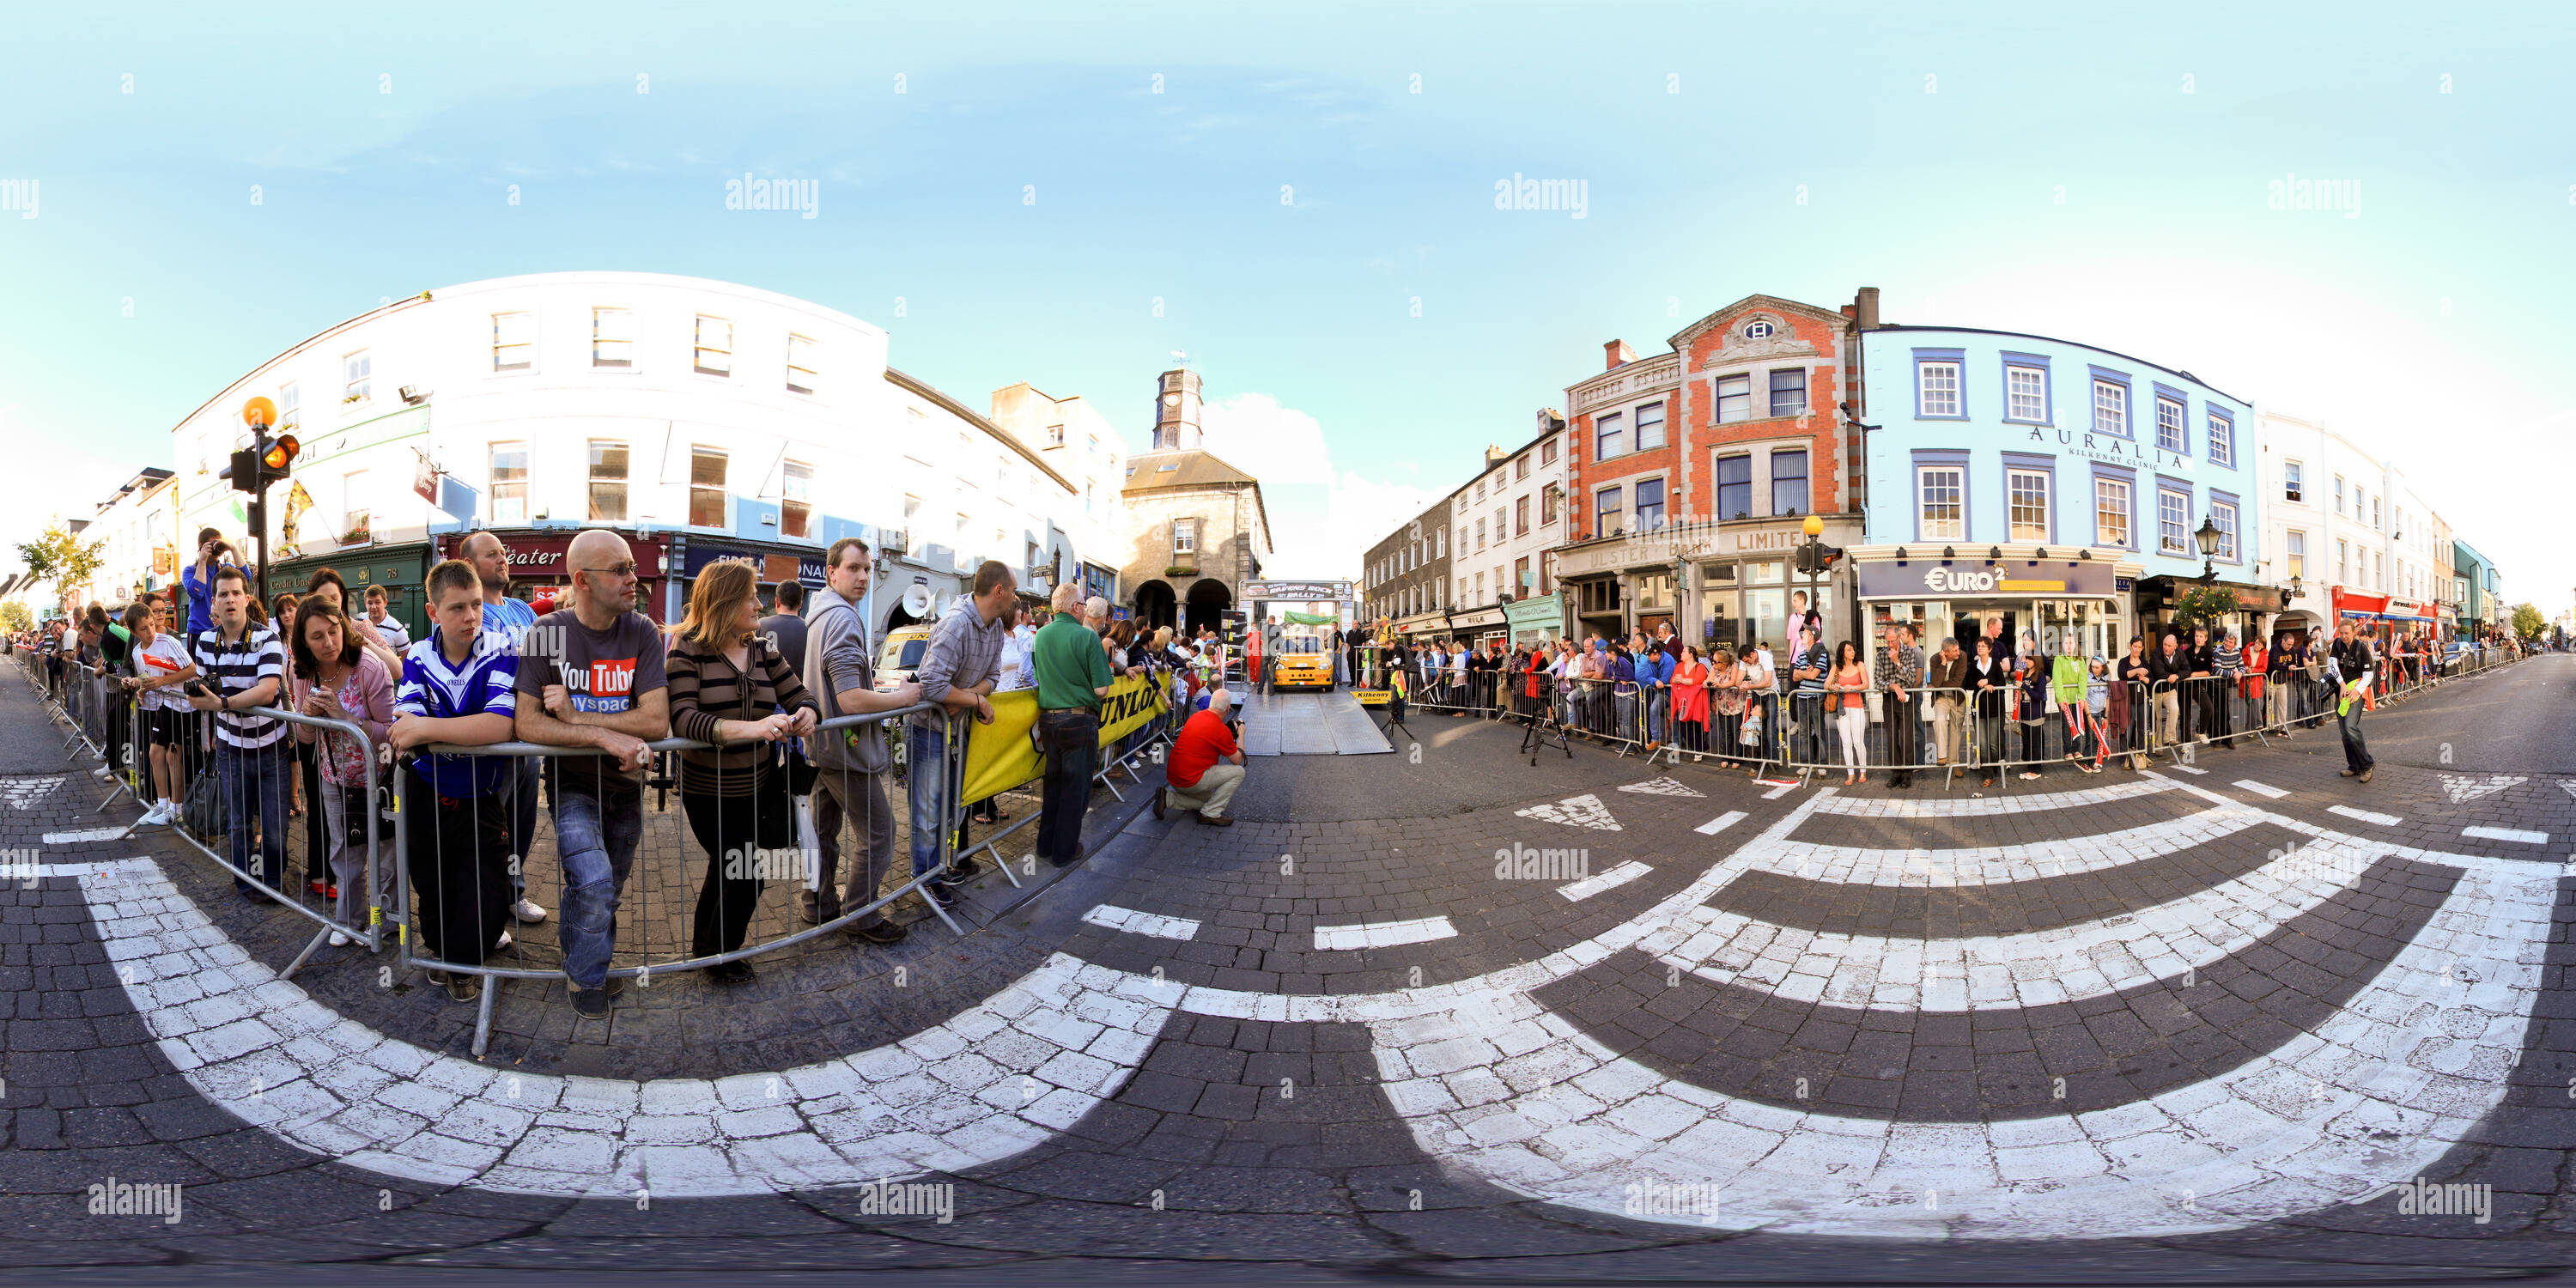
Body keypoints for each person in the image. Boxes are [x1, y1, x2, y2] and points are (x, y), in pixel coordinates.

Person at [513, 529, 670, 1019]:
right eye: (620, 569)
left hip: (626, 788)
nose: (634, 578)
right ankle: (587, 978)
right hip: (572, 785)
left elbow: (656, 720)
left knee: (605, 890)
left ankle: (577, 951)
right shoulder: (548, 633)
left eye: (632, 567)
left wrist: (579, 718)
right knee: (597, 885)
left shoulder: (642, 630)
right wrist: (603, 737)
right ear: (582, 579)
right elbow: (527, 722)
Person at [665, 561, 820, 986]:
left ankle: (709, 951)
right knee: (745, 874)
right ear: (724, 600)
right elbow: (682, 719)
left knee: (728, 868)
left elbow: (799, 693)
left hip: (760, 785)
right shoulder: (687, 648)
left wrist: (807, 710)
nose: (759, 603)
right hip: (709, 792)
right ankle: (720, 957)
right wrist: (750, 729)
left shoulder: (762, 648)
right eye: (750, 595)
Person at [385, 559, 521, 1003]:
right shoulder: (420, 655)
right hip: (427, 792)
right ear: (432, 611)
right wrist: (444, 728)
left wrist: (428, 730)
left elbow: (500, 726)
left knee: (490, 890)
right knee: (432, 882)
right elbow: (403, 720)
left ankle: (468, 956)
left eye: (477, 605)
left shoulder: (501, 648)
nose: (471, 617)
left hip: (481, 795)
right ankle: (446, 961)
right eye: (458, 607)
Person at [801, 538, 917, 942]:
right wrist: (903, 697)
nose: (864, 576)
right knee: (881, 834)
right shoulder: (843, 618)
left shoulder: (819, 613)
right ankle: (861, 915)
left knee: (822, 833)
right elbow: (850, 699)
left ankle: (819, 904)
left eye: (867, 568)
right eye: (853, 568)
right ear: (832, 572)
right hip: (845, 749)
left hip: (825, 746)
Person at [287, 593, 394, 940]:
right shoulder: (305, 673)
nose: (329, 642)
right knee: (344, 853)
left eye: (333, 631)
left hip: (383, 779)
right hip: (335, 779)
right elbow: (303, 739)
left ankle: (387, 921)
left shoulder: (368, 667)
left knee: (386, 857)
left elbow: (391, 732)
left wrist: (345, 718)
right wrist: (307, 717)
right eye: (317, 636)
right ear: (304, 641)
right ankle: (350, 921)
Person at [903, 562, 1012, 899]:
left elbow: (993, 677)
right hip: (928, 730)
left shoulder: (993, 626)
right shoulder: (955, 624)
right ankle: (924, 877)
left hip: (957, 731)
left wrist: (965, 699)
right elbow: (932, 685)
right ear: (998, 591)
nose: (1014, 596)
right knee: (928, 811)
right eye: (1012, 589)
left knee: (952, 806)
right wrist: (974, 701)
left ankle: (938, 867)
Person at [189, 567, 295, 899]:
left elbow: (267, 691)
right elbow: (201, 693)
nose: (230, 599)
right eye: (223, 594)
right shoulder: (207, 642)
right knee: (238, 825)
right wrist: (211, 706)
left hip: (270, 748)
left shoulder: (268, 638)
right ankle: (244, 880)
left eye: (236, 593)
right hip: (230, 747)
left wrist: (221, 703)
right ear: (215, 604)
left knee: (275, 826)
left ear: (247, 599)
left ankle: (272, 883)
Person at [460, 532, 550, 927]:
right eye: (491, 554)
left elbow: (544, 659)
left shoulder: (521, 609)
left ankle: (514, 894)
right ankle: (487, 907)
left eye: (503, 553)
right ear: (470, 566)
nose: (502, 559)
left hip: (528, 739)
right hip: (494, 740)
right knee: (489, 825)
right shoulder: (474, 613)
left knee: (522, 823)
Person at [1030, 581, 1112, 868]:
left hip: (1049, 720)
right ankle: (1064, 851)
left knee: (1053, 785)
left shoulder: (1040, 636)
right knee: (1075, 789)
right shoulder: (1086, 637)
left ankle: (1045, 845)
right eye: (1083, 604)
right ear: (1077, 608)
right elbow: (1102, 689)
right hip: (1078, 720)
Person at [120, 599, 197, 829]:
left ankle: (176, 808)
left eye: (152, 624)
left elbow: (192, 669)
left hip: (183, 705)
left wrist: (163, 681)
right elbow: (147, 677)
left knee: (174, 756)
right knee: (155, 754)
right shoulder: (136, 651)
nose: (150, 631)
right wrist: (141, 688)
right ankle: (163, 804)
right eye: (144, 628)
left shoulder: (169, 642)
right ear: (133, 632)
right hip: (165, 704)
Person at [1157, 686, 1244, 825]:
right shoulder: (1221, 730)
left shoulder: (1196, 717)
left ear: (1211, 703)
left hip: (1175, 777)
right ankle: (1211, 813)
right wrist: (1241, 734)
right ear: (1228, 709)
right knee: (1239, 772)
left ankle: (1168, 798)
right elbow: (1237, 760)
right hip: (1191, 780)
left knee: (1208, 800)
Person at [1874, 624, 1922, 788]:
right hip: (1890, 698)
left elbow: (1912, 679)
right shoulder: (1880, 655)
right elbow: (1877, 681)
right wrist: (1894, 686)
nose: (1890, 645)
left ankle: (1907, 773)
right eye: (1887, 642)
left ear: (1899, 638)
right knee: (1892, 737)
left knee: (1907, 737)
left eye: (1893, 641)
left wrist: (1897, 662)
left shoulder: (1909, 652)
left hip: (1907, 699)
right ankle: (1896, 772)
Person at [2331, 620, 2377, 783]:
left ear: (2354, 632)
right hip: (2341, 693)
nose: (2343, 636)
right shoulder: (2337, 644)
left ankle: (2367, 764)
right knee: (2344, 733)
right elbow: (2332, 665)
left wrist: (2357, 691)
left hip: (2355, 694)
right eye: (2341, 633)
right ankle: (2353, 765)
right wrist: (2342, 684)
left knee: (2350, 727)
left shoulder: (2361, 648)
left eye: (2346, 633)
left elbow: (2369, 674)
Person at [2051, 631, 2102, 775]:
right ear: (2062, 645)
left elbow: (2082, 679)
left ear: (2075, 645)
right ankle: (2068, 750)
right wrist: (2061, 699)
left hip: (2076, 698)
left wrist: (2081, 696)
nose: (2069, 646)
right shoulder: (2059, 659)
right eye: (2066, 643)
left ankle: (2077, 749)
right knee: (2067, 724)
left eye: (2071, 643)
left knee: (2079, 723)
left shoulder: (2080, 660)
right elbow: (2057, 679)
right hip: (2065, 699)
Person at [1965, 636, 2008, 787]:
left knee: (1994, 744)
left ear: (1990, 649)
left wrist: (1989, 682)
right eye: (1979, 646)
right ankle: (1987, 774)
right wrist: (1979, 683)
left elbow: (2002, 682)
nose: (1980, 648)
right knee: (1982, 743)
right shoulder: (1973, 665)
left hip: (1995, 708)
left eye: (1984, 646)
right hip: (1979, 709)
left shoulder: (1995, 664)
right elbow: (1968, 684)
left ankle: (1994, 768)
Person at [1789, 628, 1832, 769]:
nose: (1801, 636)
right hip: (1802, 696)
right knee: (1804, 731)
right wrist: (1805, 672)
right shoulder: (1801, 654)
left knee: (1819, 731)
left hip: (1816, 697)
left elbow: (1814, 675)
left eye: (1805, 633)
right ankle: (1805, 763)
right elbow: (1795, 676)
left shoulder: (1822, 653)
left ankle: (1822, 764)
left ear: (1812, 636)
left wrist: (1805, 673)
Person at [179, 528, 233, 639]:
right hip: (198, 632)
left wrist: (232, 548)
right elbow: (197, 592)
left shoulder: (224, 569)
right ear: (201, 546)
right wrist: (202, 560)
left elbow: (247, 577)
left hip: (223, 631)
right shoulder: (190, 570)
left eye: (219, 544)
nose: (216, 548)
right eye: (213, 544)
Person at [1829, 641, 1870, 786]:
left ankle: (1863, 771)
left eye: (1853, 650)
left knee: (1858, 742)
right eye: (1849, 650)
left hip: (1857, 707)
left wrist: (1851, 687)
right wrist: (1834, 686)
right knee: (1846, 742)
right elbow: (1827, 684)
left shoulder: (1859, 665)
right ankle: (1850, 773)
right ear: (1843, 653)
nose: (1852, 652)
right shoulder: (1837, 669)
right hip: (1842, 709)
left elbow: (1866, 684)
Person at [1924, 634, 1967, 769]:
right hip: (1941, 698)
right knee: (1939, 720)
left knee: (1956, 732)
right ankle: (1942, 756)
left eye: (1958, 649)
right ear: (1945, 652)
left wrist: (1936, 685)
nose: (1958, 653)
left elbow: (1957, 681)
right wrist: (1943, 663)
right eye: (1954, 651)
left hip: (1957, 698)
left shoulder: (1963, 656)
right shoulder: (1935, 659)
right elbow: (1935, 681)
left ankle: (1954, 765)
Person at [1670, 644, 1710, 759]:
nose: (1681, 653)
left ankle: (1699, 749)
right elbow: (1672, 680)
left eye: (1683, 652)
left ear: (1691, 655)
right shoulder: (1679, 666)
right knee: (1683, 726)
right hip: (1682, 701)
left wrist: (1682, 680)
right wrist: (1684, 681)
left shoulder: (1700, 666)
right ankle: (1700, 748)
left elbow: (1698, 680)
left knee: (1695, 726)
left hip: (1696, 700)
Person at [361, 584, 411, 654]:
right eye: (370, 603)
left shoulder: (397, 629)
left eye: (377, 602)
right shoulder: (358, 620)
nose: (373, 607)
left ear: (385, 603)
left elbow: (406, 659)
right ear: (365, 604)